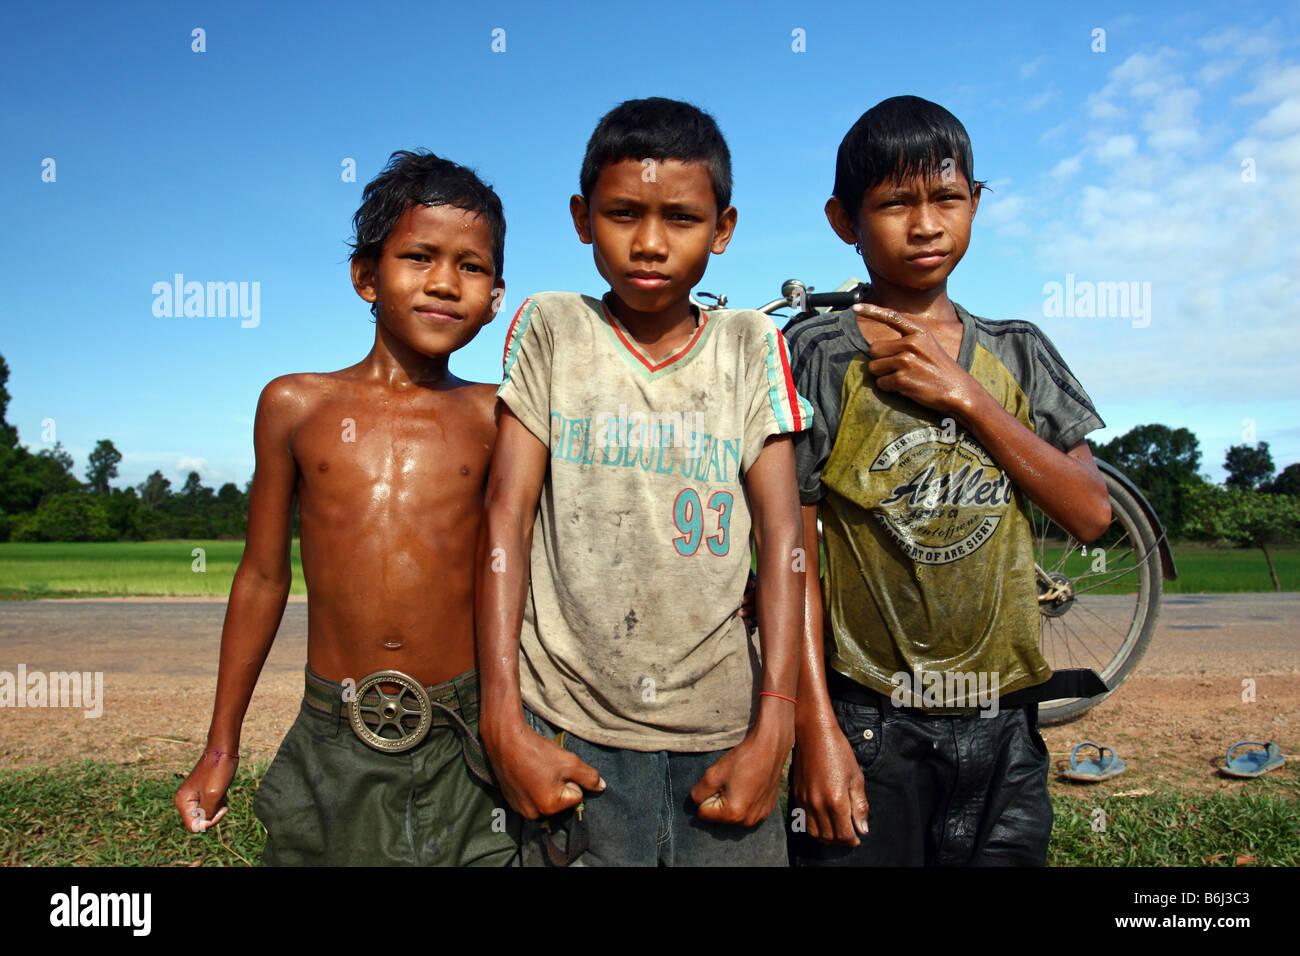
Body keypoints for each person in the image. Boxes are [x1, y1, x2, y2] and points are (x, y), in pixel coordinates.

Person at [477, 97, 810, 866]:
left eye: (682, 219)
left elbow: (785, 536)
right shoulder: (554, 328)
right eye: (623, 213)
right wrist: (503, 718)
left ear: (723, 229)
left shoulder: (749, 344)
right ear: (581, 217)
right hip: (569, 727)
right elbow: (505, 517)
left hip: (724, 731)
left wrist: (777, 726)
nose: (650, 243)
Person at [784, 95, 1112, 866]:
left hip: (1006, 731)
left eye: (948, 198)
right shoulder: (817, 355)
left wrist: (969, 399)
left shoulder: (1019, 351)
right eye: (895, 203)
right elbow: (792, 563)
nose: (926, 224)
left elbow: (1092, 514)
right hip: (870, 724)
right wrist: (816, 731)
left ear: (975, 203)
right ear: (844, 220)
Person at [173, 150, 519, 866]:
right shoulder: (296, 406)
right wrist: (219, 745)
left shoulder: (499, 415)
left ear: (495, 297)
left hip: (467, 734)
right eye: (419, 256)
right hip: (334, 730)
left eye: (472, 267)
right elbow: (264, 577)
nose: (445, 283)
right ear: (366, 276)